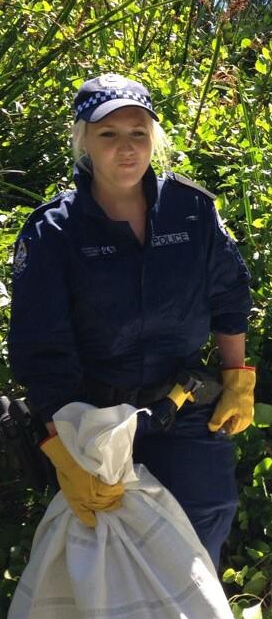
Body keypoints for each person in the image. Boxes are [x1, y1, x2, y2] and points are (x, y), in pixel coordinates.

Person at [8, 73, 256, 572]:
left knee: (205, 521)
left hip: (184, 405)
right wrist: (63, 446)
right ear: (84, 140)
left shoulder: (191, 211)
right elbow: (41, 350)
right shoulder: (54, 231)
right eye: (109, 135)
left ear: (154, 138)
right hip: (94, 420)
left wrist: (237, 379)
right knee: (110, 558)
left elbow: (229, 295)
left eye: (138, 133)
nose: (126, 149)